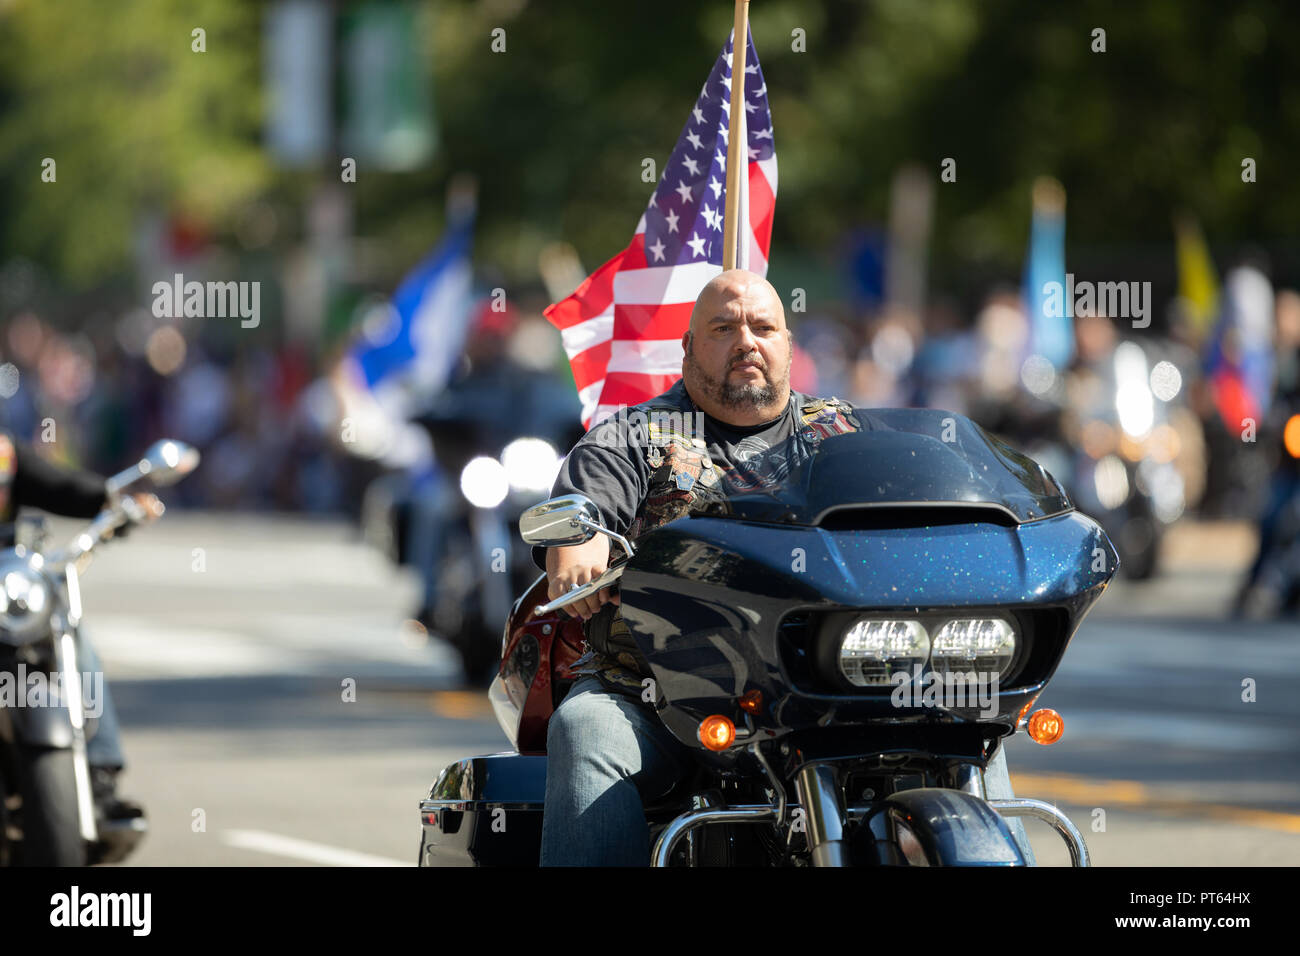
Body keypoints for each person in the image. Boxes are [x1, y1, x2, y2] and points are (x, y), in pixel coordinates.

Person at [536, 269, 1034, 866]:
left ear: (789, 346)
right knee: (586, 729)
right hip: (663, 697)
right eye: (722, 328)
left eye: (762, 326)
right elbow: (581, 513)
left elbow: (922, 514)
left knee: (969, 717)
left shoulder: (844, 434)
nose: (746, 341)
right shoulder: (635, 437)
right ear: (688, 349)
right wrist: (578, 545)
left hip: (841, 687)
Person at [0, 430, 155, 828]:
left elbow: (61, 486)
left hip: (8, 592)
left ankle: (99, 777)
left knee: (67, 627)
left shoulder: (5, 455)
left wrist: (113, 501)